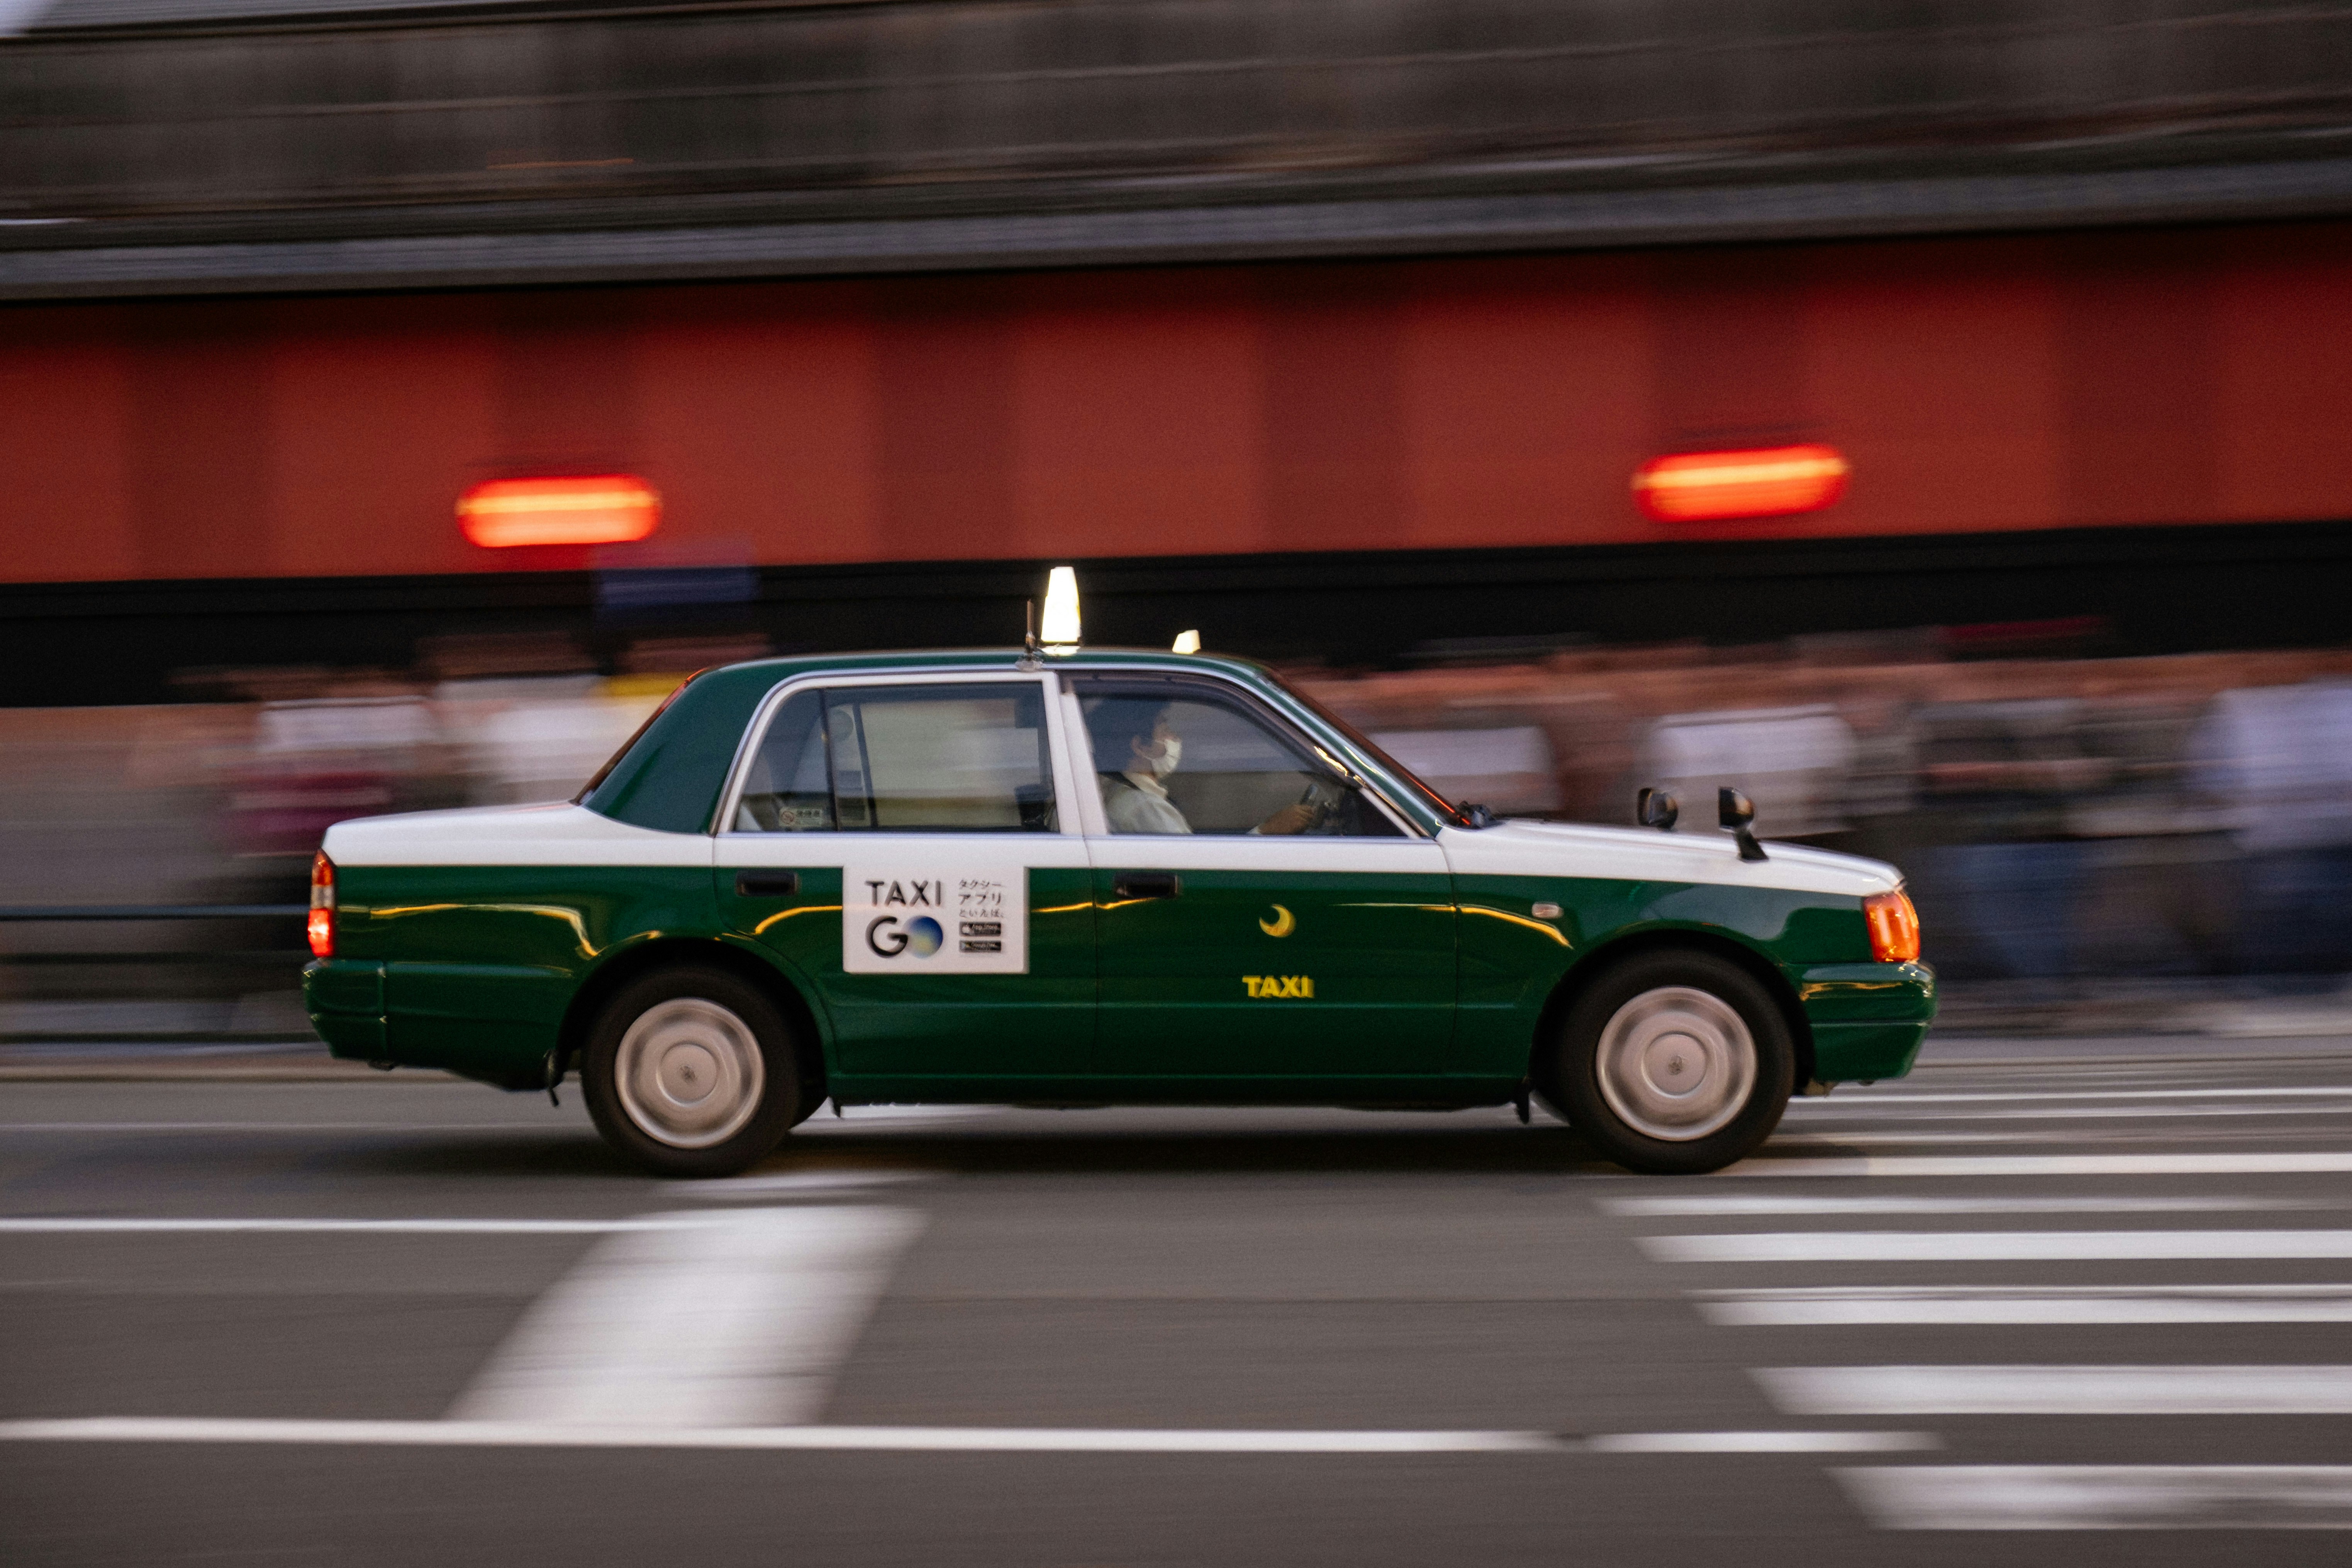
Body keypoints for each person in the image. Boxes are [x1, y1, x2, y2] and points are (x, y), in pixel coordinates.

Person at [1085, 698, 1317, 836]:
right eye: (1164, 730)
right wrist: (1267, 831)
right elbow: (1199, 868)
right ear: (1140, 747)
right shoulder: (1144, 808)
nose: (1174, 738)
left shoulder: (1118, 791)